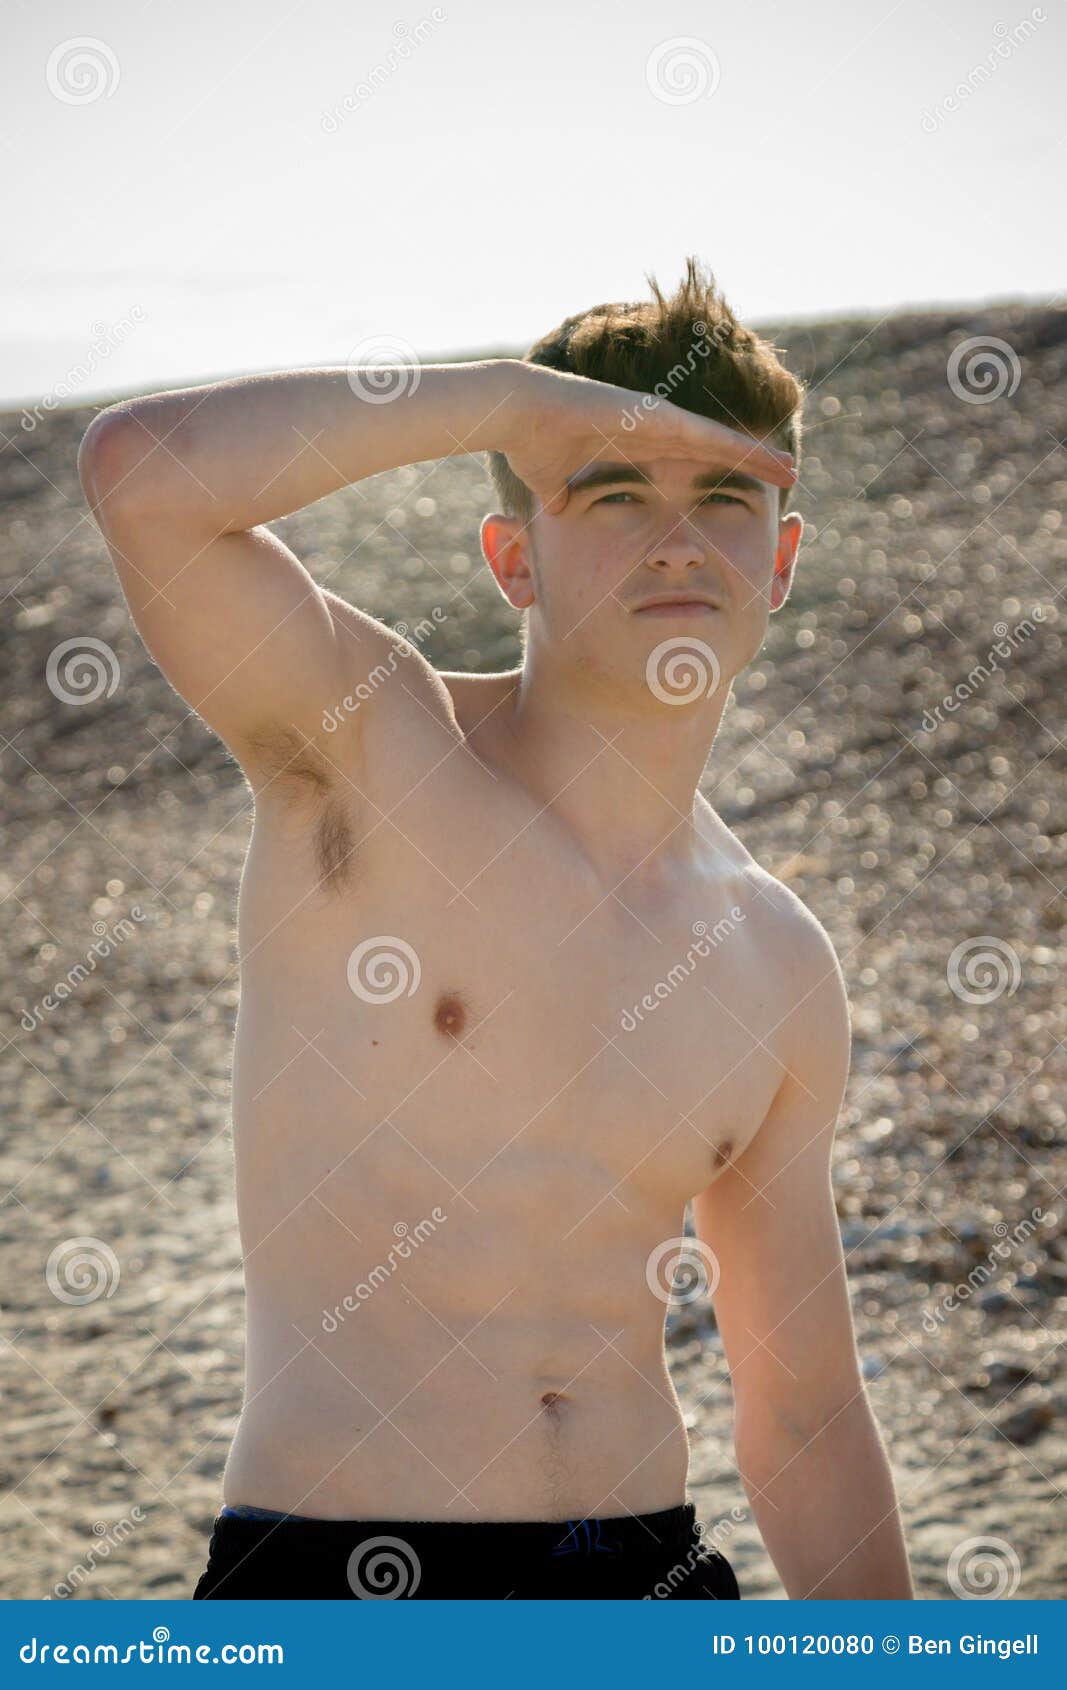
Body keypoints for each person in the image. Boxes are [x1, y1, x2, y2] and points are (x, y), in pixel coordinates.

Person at [78, 256, 914, 1600]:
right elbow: (139, 476)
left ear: (784, 556)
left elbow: (806, 1407)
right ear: (512, 553)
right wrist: (508, 404)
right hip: (347, 1587)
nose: (679, 539)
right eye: (616, 491)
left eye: (724, 495)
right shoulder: (372, 750)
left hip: (648, 1580)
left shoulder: (772, 952)